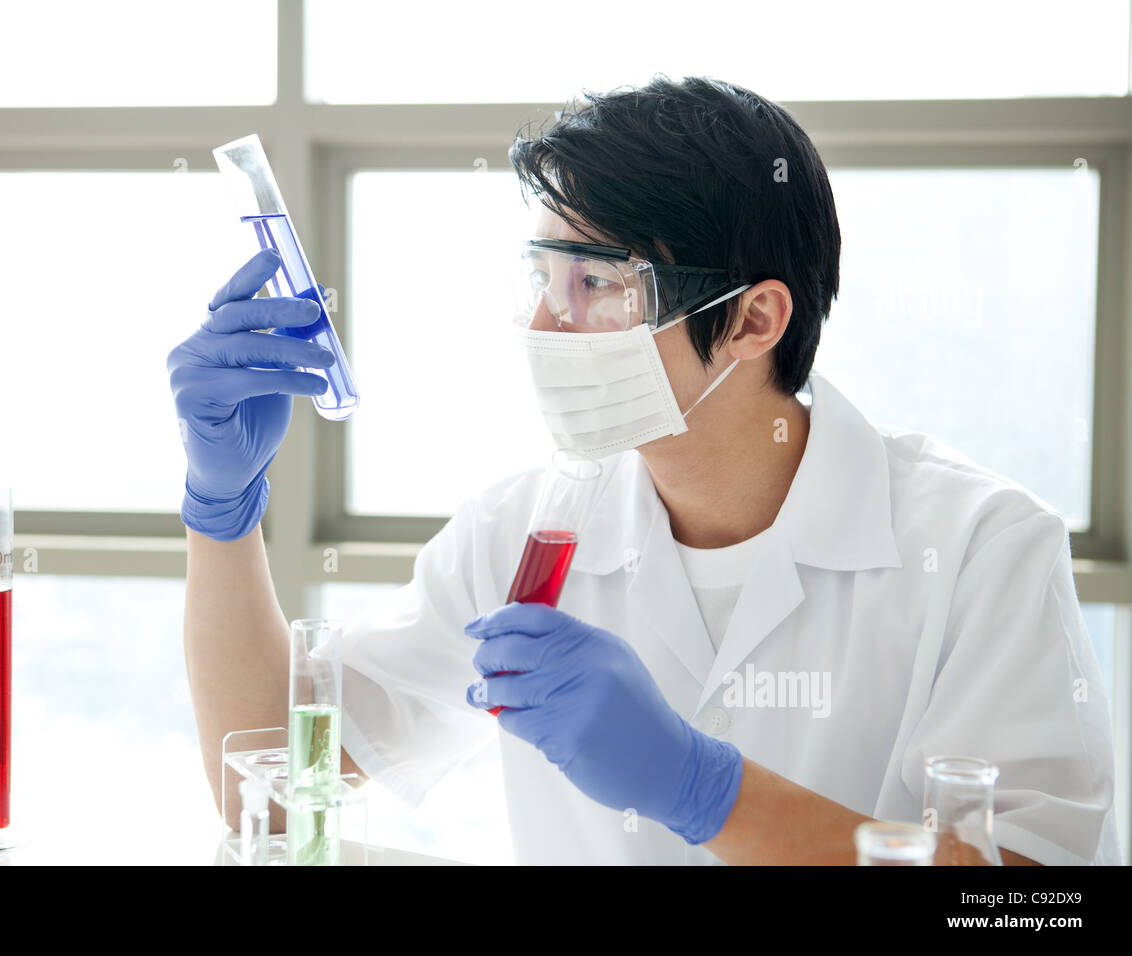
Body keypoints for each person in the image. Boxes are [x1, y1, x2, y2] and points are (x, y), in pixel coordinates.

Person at [168, 75, 1119, 865]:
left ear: (753, 320)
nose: (544, 325)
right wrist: (223, 511)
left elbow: (1030, 904)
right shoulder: (525, 532)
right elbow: (279, 791)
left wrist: (705, 790)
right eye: (544, 278)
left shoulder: (978, 550)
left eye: (598, 282)